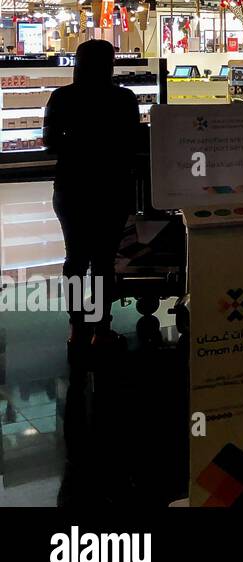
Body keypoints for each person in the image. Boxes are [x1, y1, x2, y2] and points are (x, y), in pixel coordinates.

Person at [42, 41, 141, 350]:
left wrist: (76, 143)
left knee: (74, 259)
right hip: (112, 188)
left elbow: (49, 142)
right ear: (109, 64)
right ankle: (101, 329)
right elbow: (132, 143)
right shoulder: (124, 99)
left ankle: (76, 327)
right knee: (103, 261)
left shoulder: (61, 98)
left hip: (71, 186)